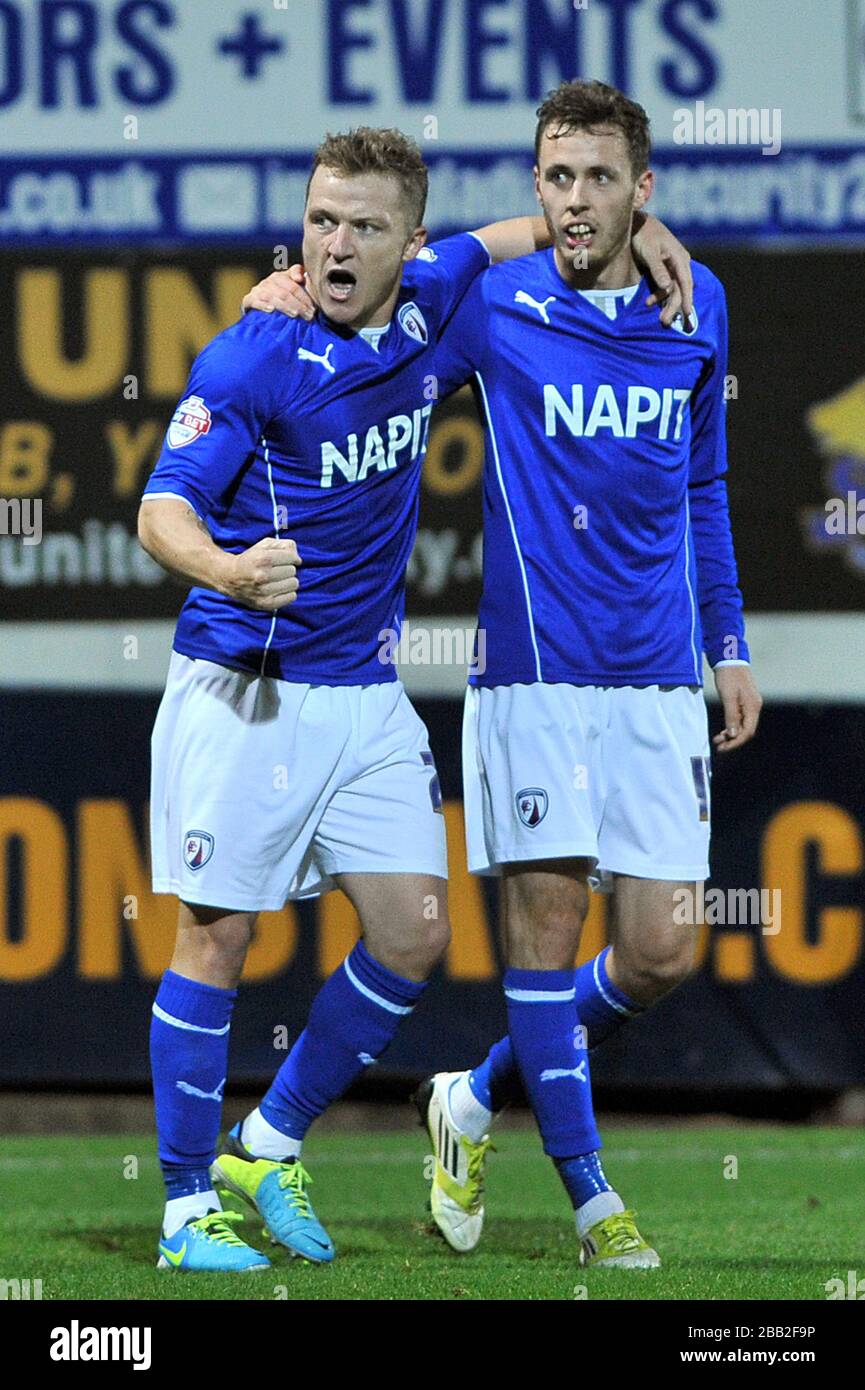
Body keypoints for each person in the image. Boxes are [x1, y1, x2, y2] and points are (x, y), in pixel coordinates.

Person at [139, 123, 690, 1273]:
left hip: (364, 694)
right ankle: (188, 1207)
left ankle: (268, 1138)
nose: (333, 246)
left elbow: (538, 223)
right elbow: (161, 512)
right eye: (320, 220)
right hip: (248, 683)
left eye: (363, 227)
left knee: (416, 932)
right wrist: (233, 569)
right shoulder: (257, 350)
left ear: (411, 245)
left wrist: (647, 229)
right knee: (218, 933)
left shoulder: (435, 301)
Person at [245, 82, 761, 1271]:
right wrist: (284, 298)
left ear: (645, 189)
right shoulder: (492, 301)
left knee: (662, 952)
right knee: (543, 936)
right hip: (531, 675)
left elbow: (705, 487)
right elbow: (370, 299)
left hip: (654, 680)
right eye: (555, 177)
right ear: (535, 186)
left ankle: (470, 1097)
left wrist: (725, 643)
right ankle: (593, 1203)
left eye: (599, 178)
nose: (575, 201)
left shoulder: (699, 304)